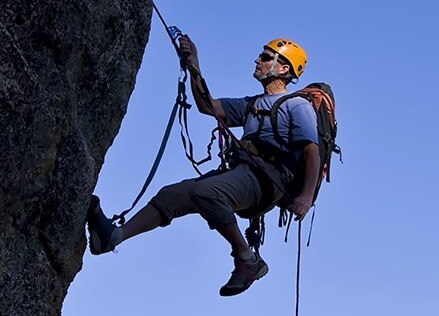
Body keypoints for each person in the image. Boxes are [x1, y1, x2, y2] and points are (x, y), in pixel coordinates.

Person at [87, 36, 322, 297]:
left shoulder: (297, 106)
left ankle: (247, 259)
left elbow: (312, 152)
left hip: (268, 180)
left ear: (284, 68)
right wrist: (193, 64)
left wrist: (306, 197)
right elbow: (207, 106)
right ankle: (113, 237)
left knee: (207, 192)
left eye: (266, 57)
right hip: (244, 173)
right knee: (173, 195)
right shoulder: (251, 104)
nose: (258, 60)